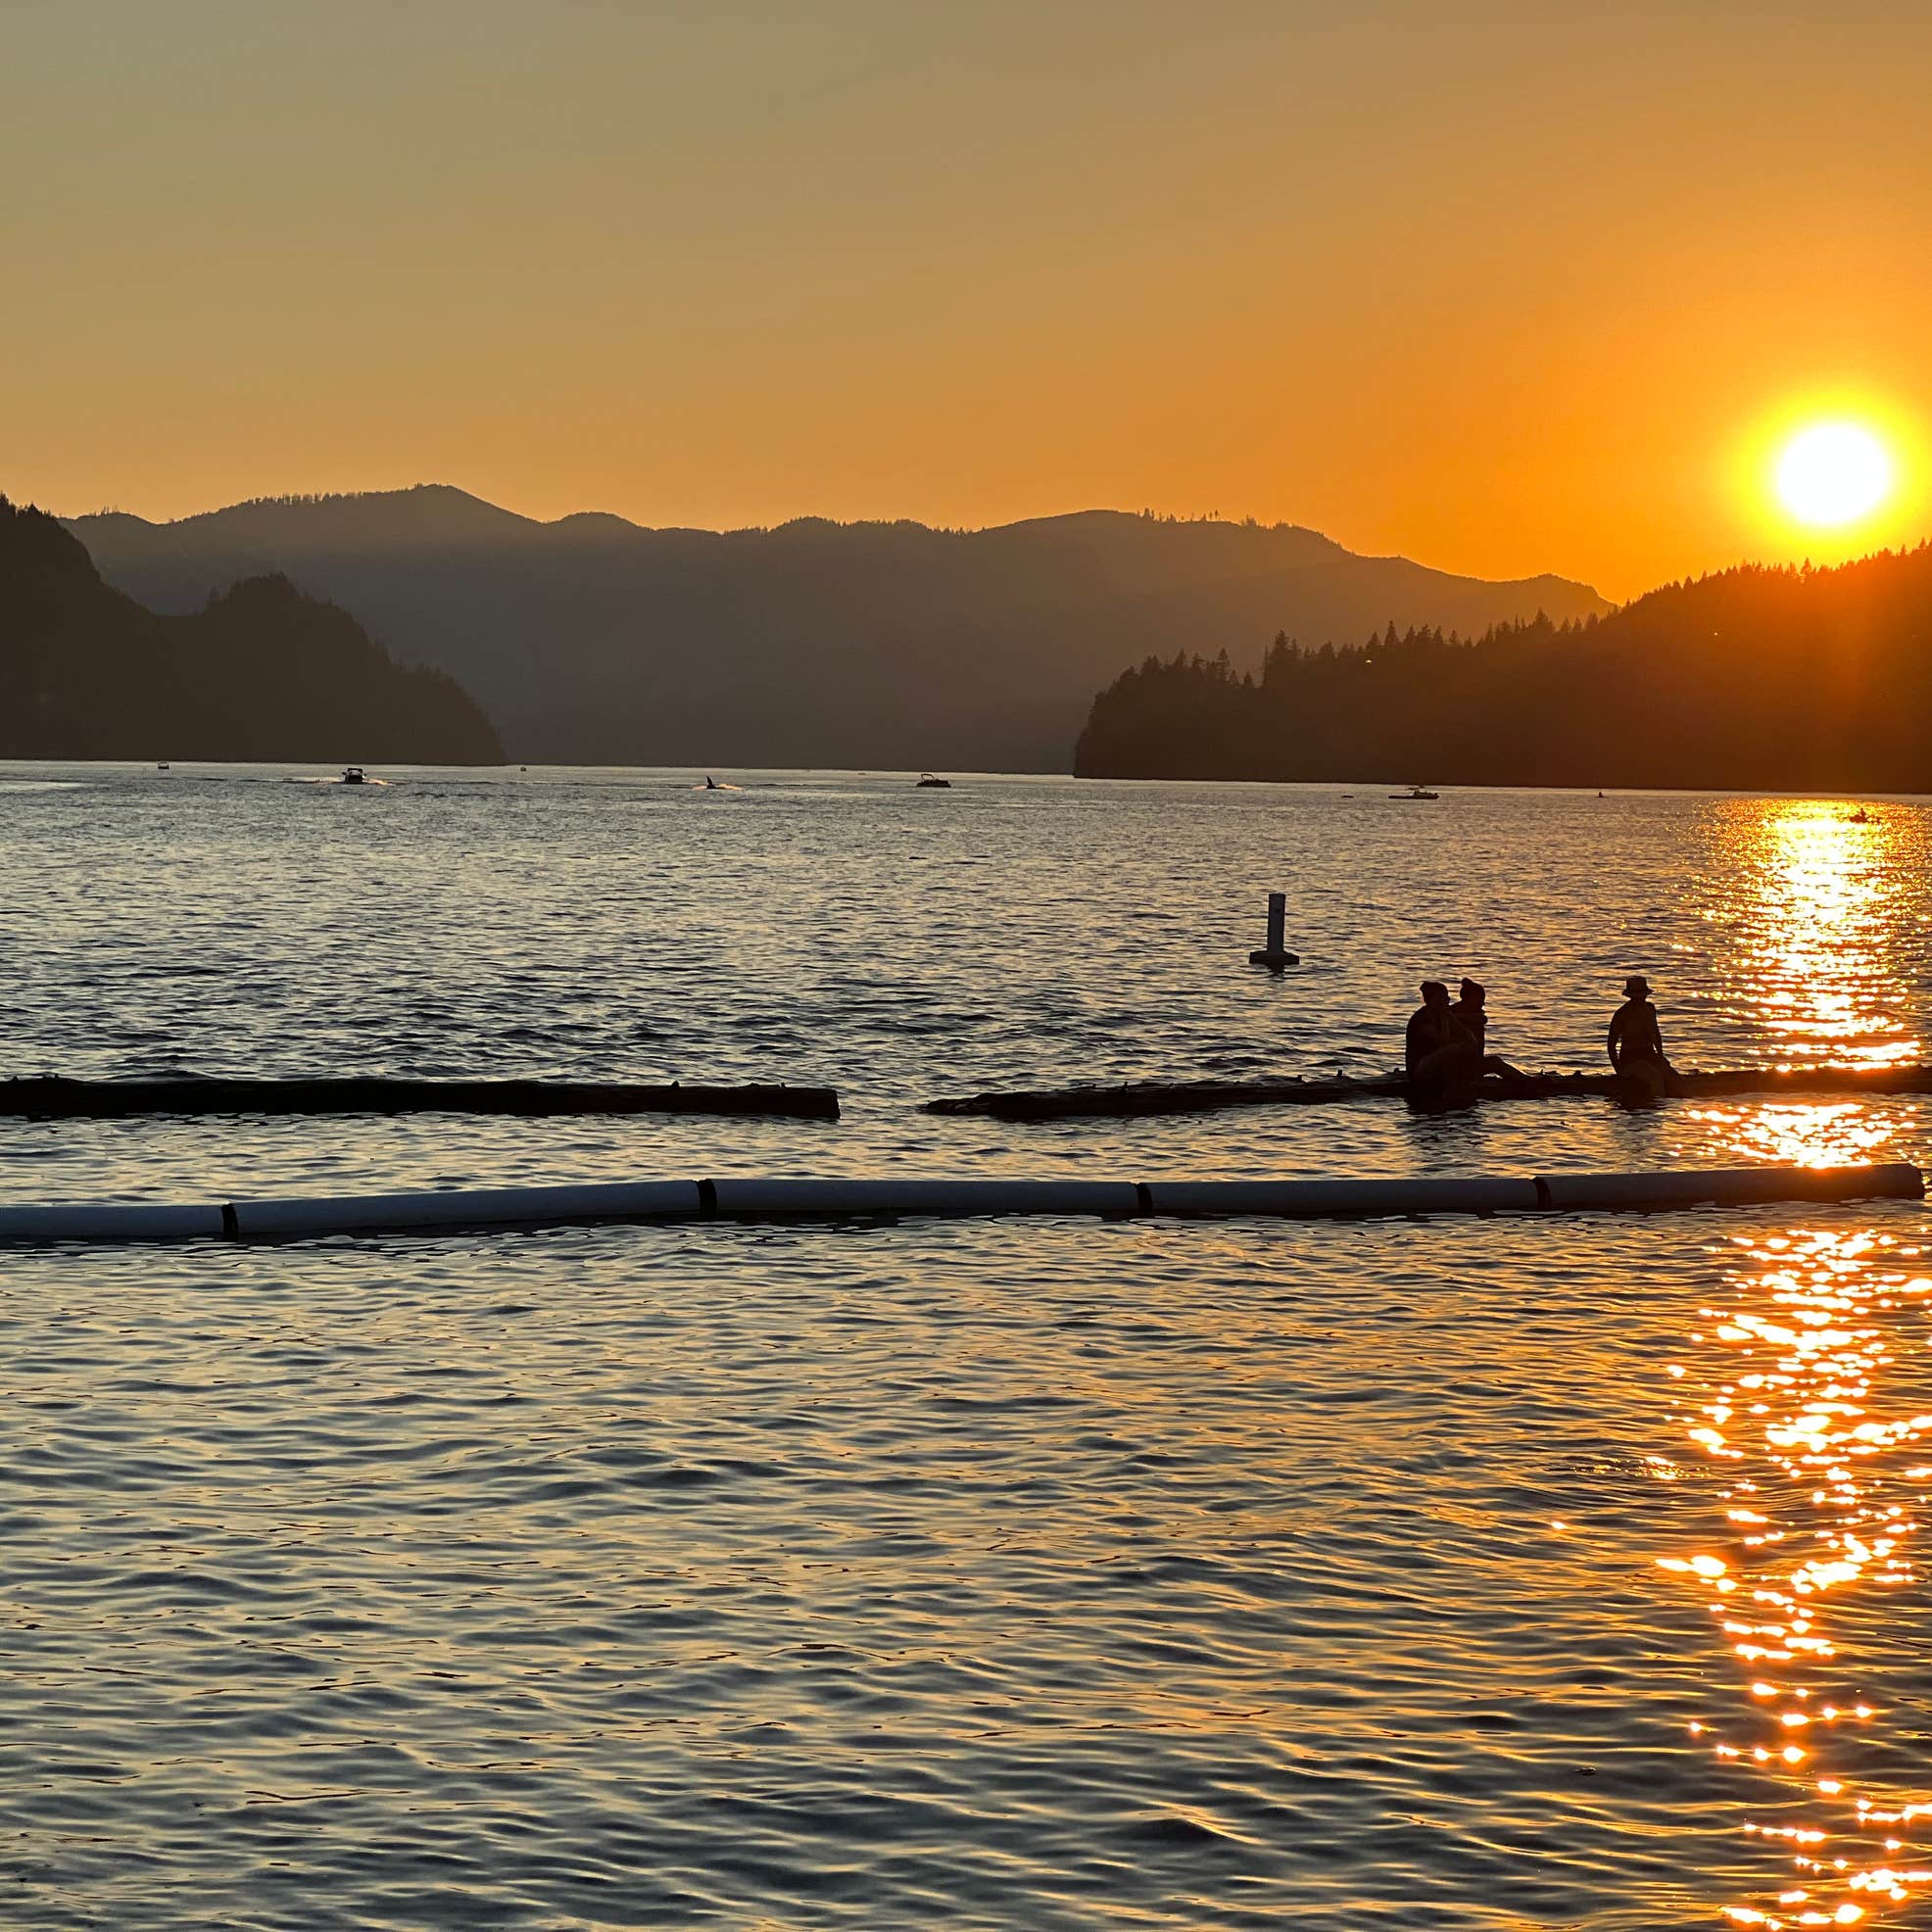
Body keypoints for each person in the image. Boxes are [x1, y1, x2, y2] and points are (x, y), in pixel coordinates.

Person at [1608, 974, 1675, 1095]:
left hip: (1650, 1055)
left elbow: (1656, 1035)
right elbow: (1611, 1045)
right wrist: (1619, 1069)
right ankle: (1658, 1105)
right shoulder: (1622, 1014)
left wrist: (1660, 1057)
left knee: (1673, 1077)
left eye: (1642, 996)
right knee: (1654, 1077)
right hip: (1631, 1059)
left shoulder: (1650, 1009)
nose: (1640, 999)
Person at [1406, 981, 1479, 1089]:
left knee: (1492, 1061)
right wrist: (1445, 1017)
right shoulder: (1422, 1018)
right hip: (1419, 1069)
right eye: (1444, 997)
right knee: (1454, 1048)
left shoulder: (1442, 1015)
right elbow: (1443, 1043)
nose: (1448, 1000)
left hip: (1438, 1066)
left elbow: (1467, 1036)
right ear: (1434, 999)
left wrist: (1450, 1017)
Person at [1450, 978, 1523, 1080]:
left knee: (1494, 1061)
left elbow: (1482, 1019)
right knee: (1494, 1062)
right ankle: (1529, 1082)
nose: (1483, 1004)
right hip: (1460, 1068)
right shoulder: (1453, 1015)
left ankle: (1525, 1079)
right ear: (1471, 999)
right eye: (1481, 999)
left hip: (1471, 1065)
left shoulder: (1469, 1015)